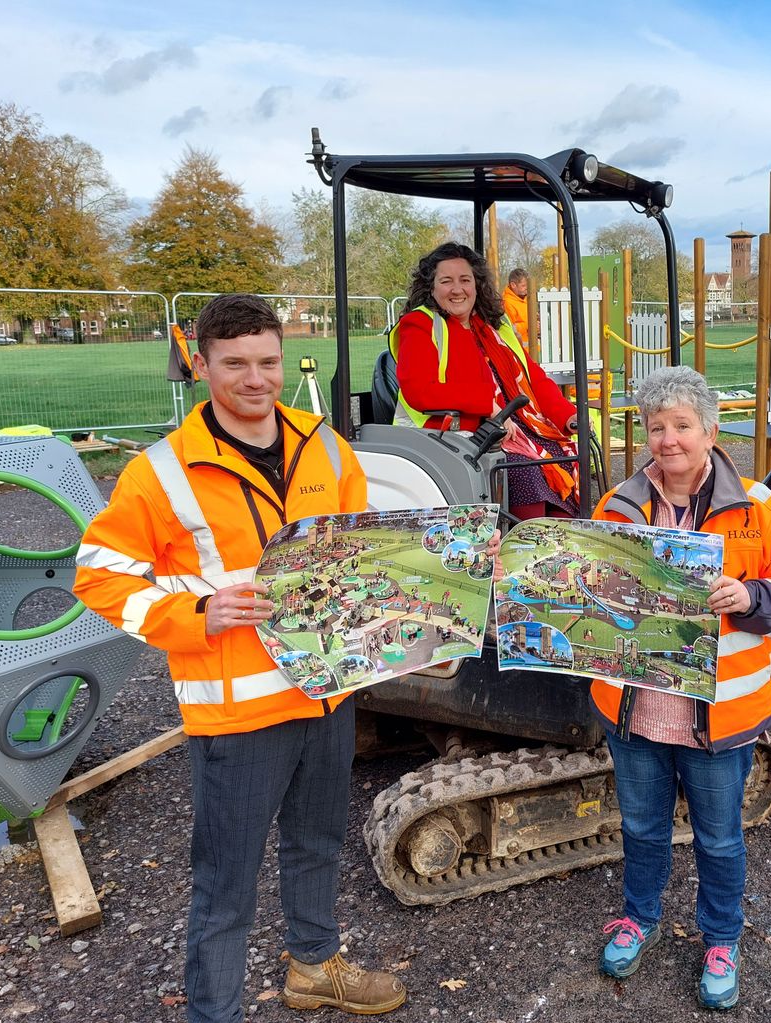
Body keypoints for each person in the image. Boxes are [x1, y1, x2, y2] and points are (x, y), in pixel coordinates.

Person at [73, 294, 408, 1022]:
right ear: (201, 365)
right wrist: (194, 614)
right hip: (237, 710)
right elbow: (98, 575)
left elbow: (362, 555)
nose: (254, 379)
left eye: (267, 361)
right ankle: (213, 1011)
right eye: (234, 364)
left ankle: (315, 968)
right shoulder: (160, 473)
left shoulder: (323, 445)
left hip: (325, 692)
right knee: (225, 882)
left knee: (317, 843)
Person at [589, 366, 771, 1011]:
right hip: (635, 706)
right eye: (656, 426)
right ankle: (640, 917)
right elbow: (588, 584)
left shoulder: (758, 509)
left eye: (682, 426)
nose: (669, 439)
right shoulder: (617, 507)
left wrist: (752, 597)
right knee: (640, 824)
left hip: (718, 713)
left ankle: (721, 938)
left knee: (719, 836)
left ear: (711, 432)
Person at [390, 242, 579, 519]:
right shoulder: (420, 325)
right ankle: (527, 546)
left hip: (516, 424)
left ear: (476, 285)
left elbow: (532, 377)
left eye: (465, 280)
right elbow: (419, 391)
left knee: (566, 451)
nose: (457, 289)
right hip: (455, 433)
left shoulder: (495, 326)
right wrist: (488, 407)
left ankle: (563, 545)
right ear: (431, 287)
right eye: (446, 281)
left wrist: (568, 416)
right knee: (523, 469)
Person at [502, 267, 531, 343]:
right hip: (522, 350)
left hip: (532, 348)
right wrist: (530, 324)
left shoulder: (526, 299)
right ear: (513, 285)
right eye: (523, 285)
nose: (527, 288)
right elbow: (509, 329)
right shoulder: (507, 303)